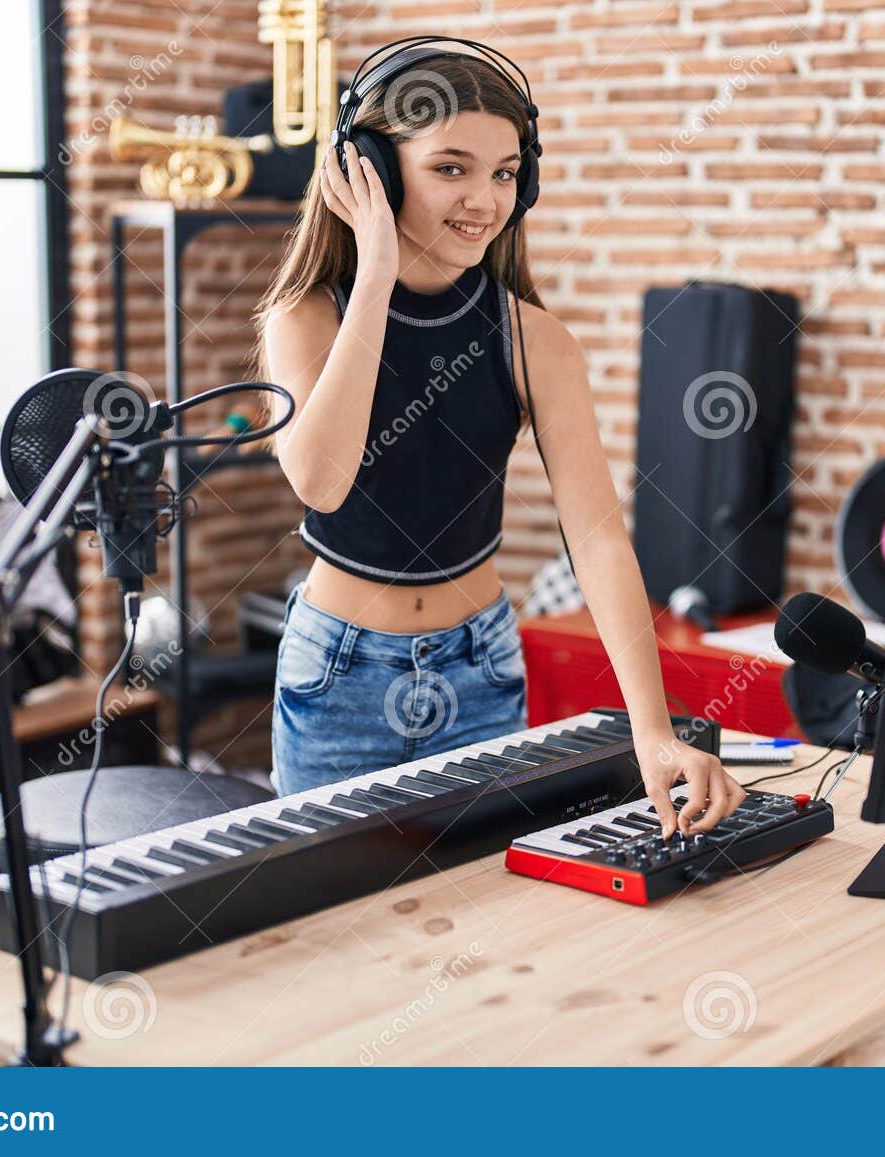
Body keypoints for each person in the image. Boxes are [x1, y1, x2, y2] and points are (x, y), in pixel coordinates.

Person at [252, 47, 744, 838]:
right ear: (369, 170)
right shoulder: (307, 318)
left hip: (478, 668)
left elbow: (598, 537)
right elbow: (321, 481)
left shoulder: (533, 340)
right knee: (340, 941)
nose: (485, 200)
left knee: (486, 921)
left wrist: (652, 729)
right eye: (452, 169)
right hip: (336, 674)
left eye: (506, 174)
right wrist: (374, 271)